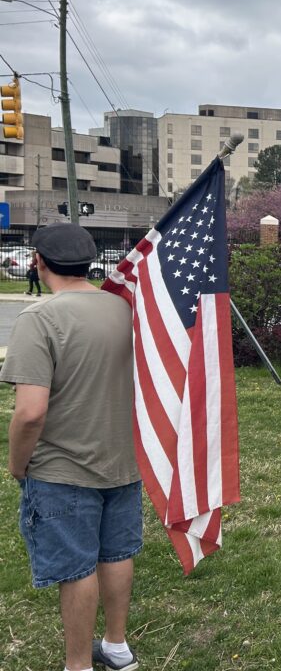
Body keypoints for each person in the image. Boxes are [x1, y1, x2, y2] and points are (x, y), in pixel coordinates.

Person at [2, 223, 142, 671]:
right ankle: (117, 646)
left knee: (77, 569)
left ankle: (77, 665)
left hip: (63, 469)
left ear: (39, 262)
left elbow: (30, 413)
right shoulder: (124, 310)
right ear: (89, 261)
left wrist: (17, 465)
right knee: (117, 554)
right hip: (123, 460)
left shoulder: (40, 319)